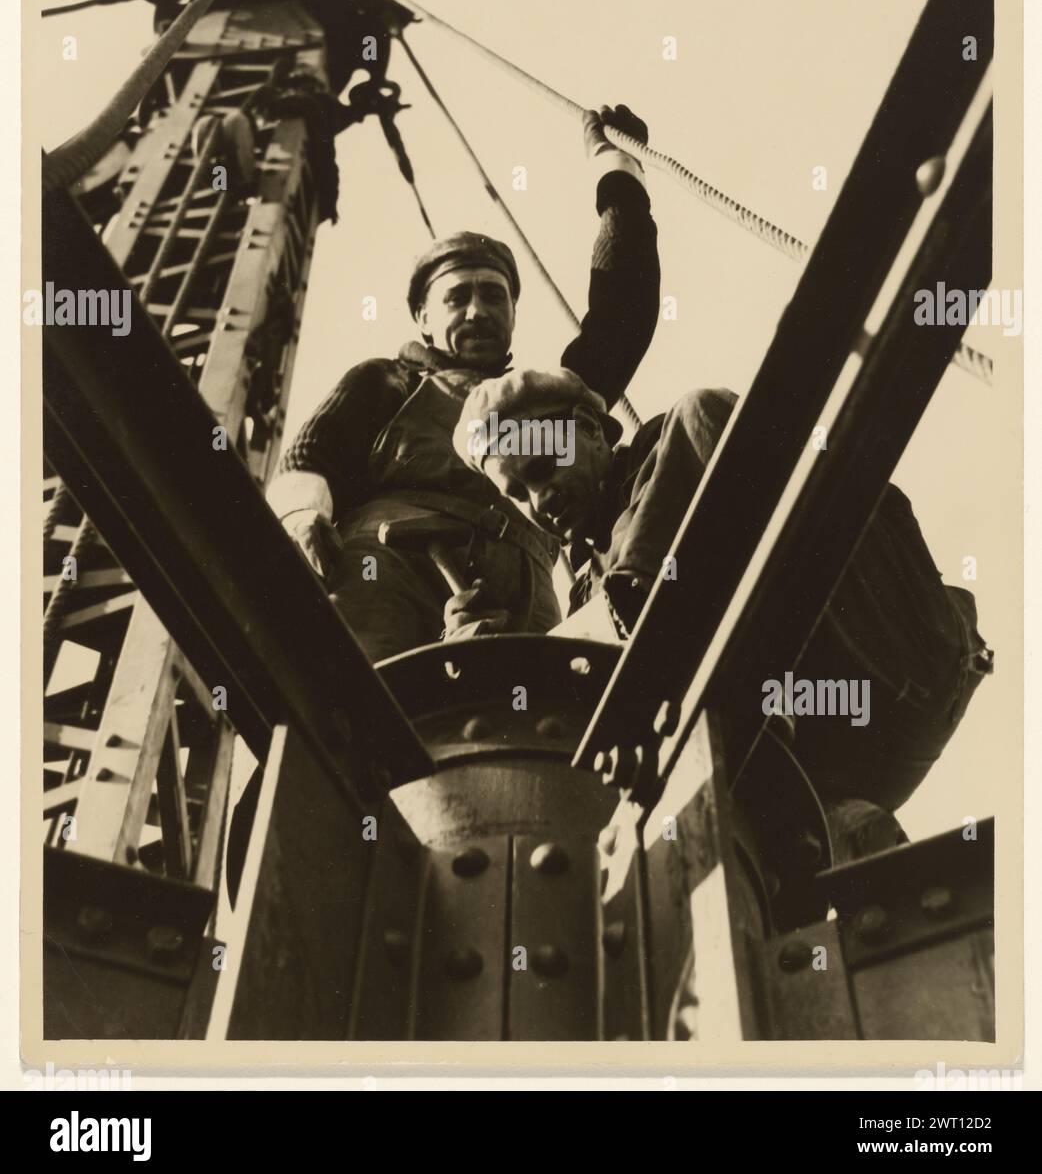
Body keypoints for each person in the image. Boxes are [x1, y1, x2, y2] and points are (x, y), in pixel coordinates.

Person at [446, 368, 994, 858]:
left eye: (542, 467)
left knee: (704, 415)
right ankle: (829, 825)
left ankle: (664, 634)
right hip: (849, 751)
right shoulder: (588, 587)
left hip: (894, 643)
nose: (537, 500)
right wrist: (486, 659)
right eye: (517, 493)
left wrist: (519, 661)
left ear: (591, 430)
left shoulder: (676, 450)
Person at [266, 106, 660, 662]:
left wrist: (617, 171)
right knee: (365, 709)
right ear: (424, 318)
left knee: (536, 730)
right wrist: (303, 515)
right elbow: (312, 453)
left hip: (525, 589)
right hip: (391, 567)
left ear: (514, 314)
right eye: (456, 297)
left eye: (493, 295)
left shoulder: (546, 400)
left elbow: (623, 312)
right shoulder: (388, 381)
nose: (477, 311)